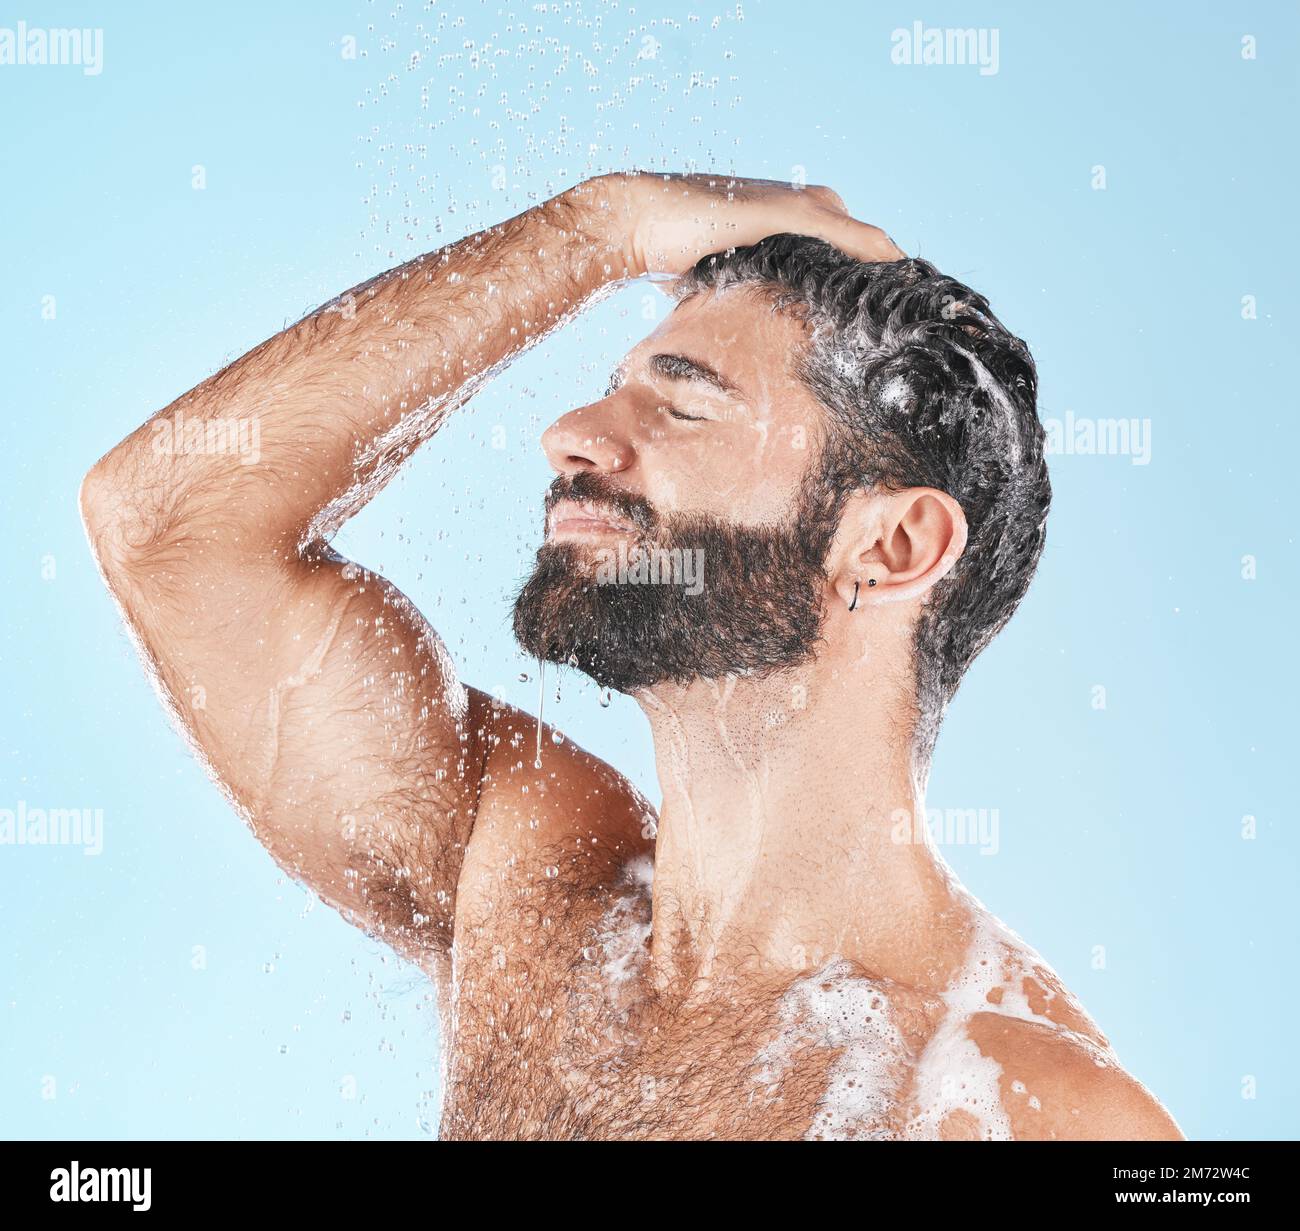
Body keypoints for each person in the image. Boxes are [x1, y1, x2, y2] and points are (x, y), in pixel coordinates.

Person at [80, 172, 1182, 1140]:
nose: (570, 429)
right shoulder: (530, 889)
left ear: (890, 546)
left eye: (683, 404)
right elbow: (169, 523)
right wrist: (595, 228)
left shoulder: (1013, 1103)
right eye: (615, 387)